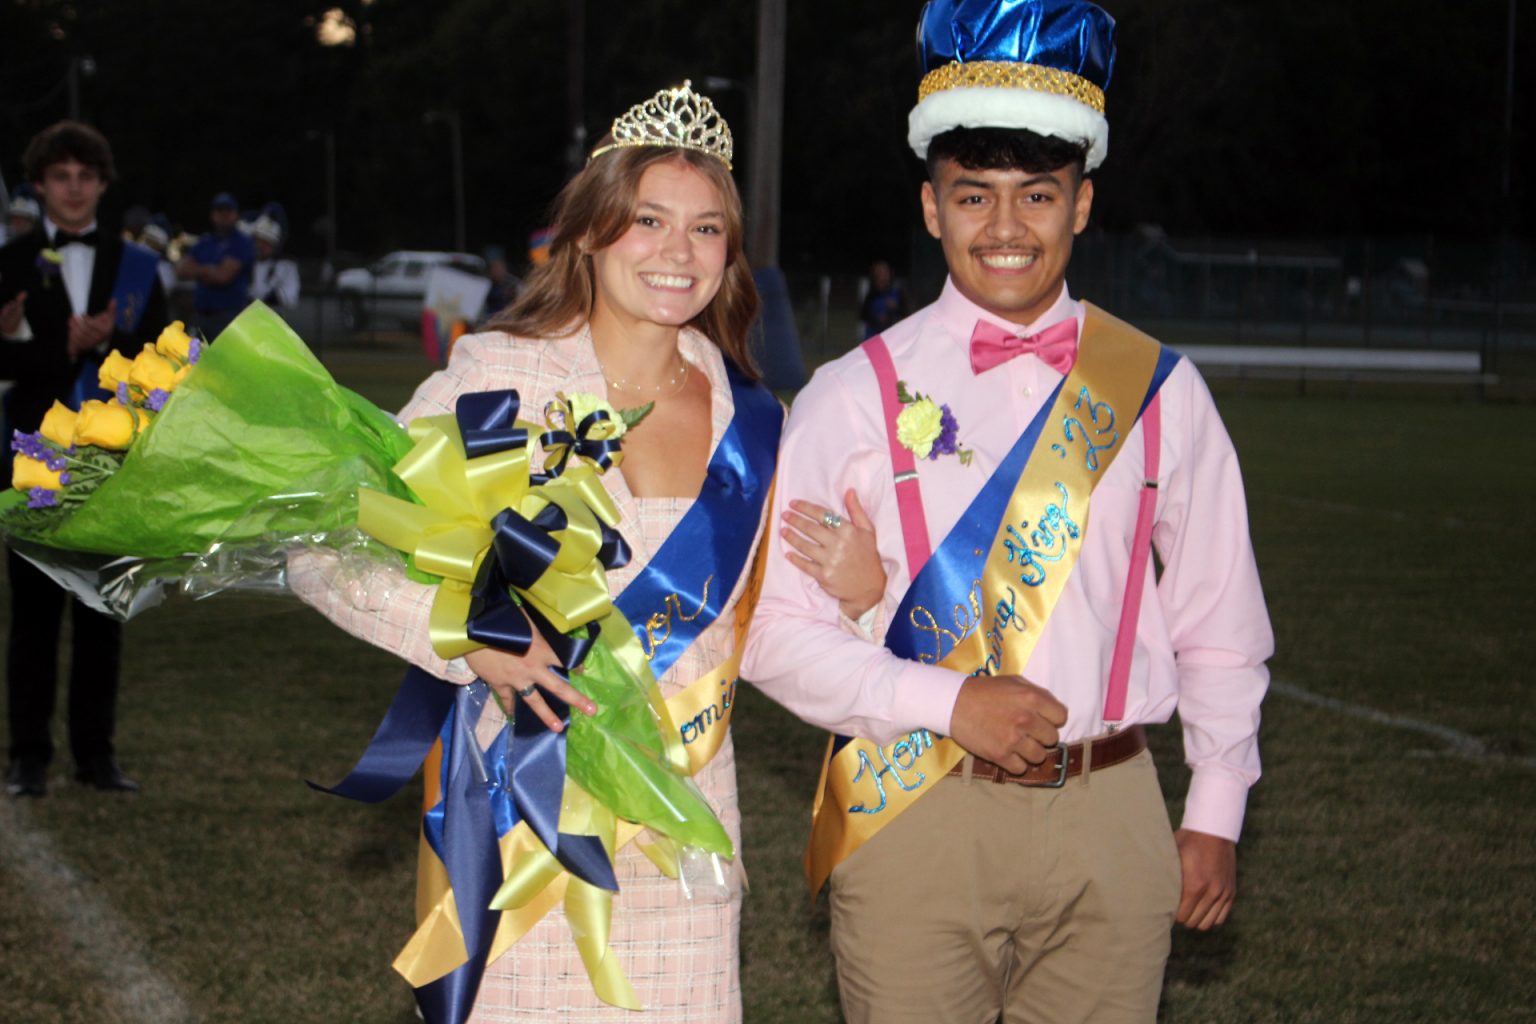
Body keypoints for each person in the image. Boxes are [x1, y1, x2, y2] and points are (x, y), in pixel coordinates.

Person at [741, 2, 1273, 1022]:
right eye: (973, 195)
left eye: (1037, 195)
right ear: (931, 207)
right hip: (914, 810)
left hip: (1114, 813)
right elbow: (771, 635)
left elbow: (1220, 617)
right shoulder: (853, 394)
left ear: (1082, 203)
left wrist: (1216, 806)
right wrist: (949, 704)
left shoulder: (1159, 389)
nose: (1005, 228)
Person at [289, 81, 861, 1022]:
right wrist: (471, 638)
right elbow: (327, 546)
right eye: (648, 220)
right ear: (591, 231)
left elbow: (774, 627)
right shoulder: (499, 374)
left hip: (681, 834)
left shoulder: (755, 419)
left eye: (707, 229)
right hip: (519, 821)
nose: (679, 252)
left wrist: (860, 593)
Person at [0, 120, 168, 797]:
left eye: (85, 177)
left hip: (110, 460)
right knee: (33, 613)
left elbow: (164, 365)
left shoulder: (136, 267)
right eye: (60, 177)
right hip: (34, 457)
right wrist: (60, 348)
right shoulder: (10, 262)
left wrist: (110, 350)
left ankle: (97, 756)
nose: (73, 189)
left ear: (102, 184)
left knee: (102, 612)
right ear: (40, 185)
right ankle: (27, 756)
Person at [176, 191, 254, 338]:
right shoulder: (205, 241)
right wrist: (209, 270)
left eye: (228, 210)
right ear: (213, 214)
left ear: (235, 214)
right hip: (201, 314)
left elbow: (222, 277)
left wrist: (198, 270)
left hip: (229, 317)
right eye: (219, 210)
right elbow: (181, 270)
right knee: (193, 352)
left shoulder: (242, 242)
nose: (224, 215)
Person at [249, 216, 300, 309]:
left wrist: (273, 297)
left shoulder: (287, 267)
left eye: (266, 242)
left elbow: (291, 298)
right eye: (258, 241)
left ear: (275, 245)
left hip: (273, 314)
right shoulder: (244, 263)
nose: (260, 246)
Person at [857, 259, 908, 339]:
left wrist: (896, 308)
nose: (883, 277)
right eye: (880, 274)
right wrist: (877, 319)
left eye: (885, 273)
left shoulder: (897, 293)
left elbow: (905, 314)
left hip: (892, 336)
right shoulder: (871, 295)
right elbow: (863, 315)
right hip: (873, 337)